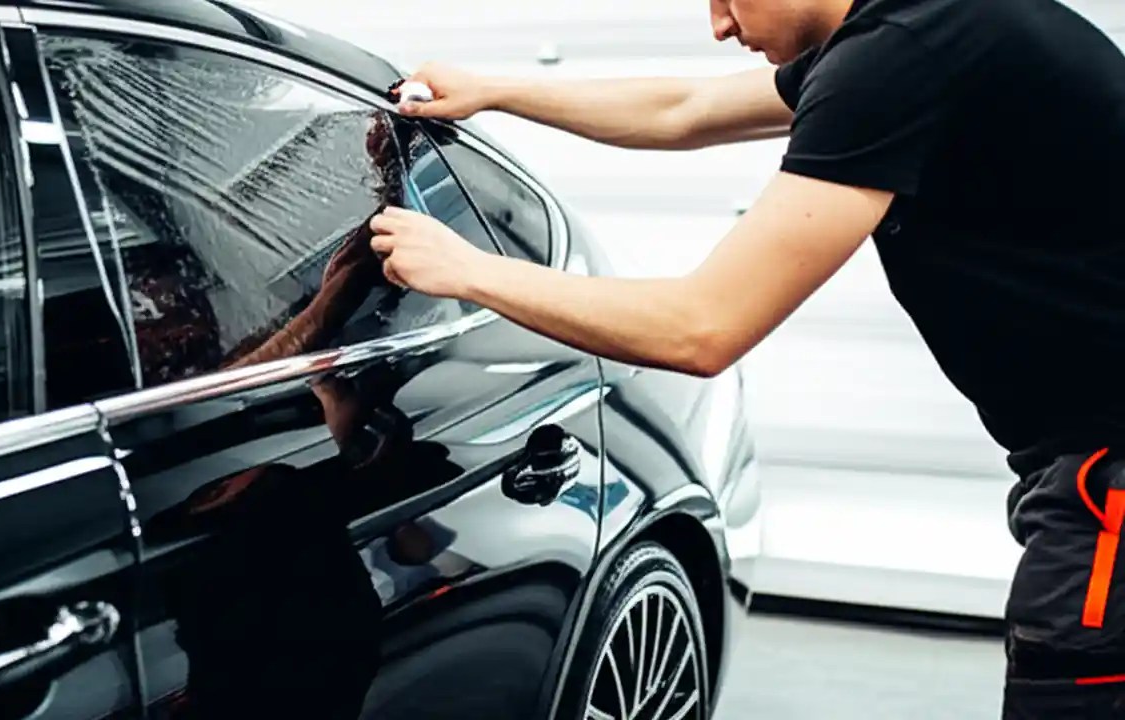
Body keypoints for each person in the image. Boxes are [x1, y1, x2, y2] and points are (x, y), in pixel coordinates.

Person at [369, 0, 1125, 716]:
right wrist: (496, 91)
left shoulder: (903, 56)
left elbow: (701, 328)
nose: (720, 24)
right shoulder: (925, 31)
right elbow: (685, 109)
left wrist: (468, 270)